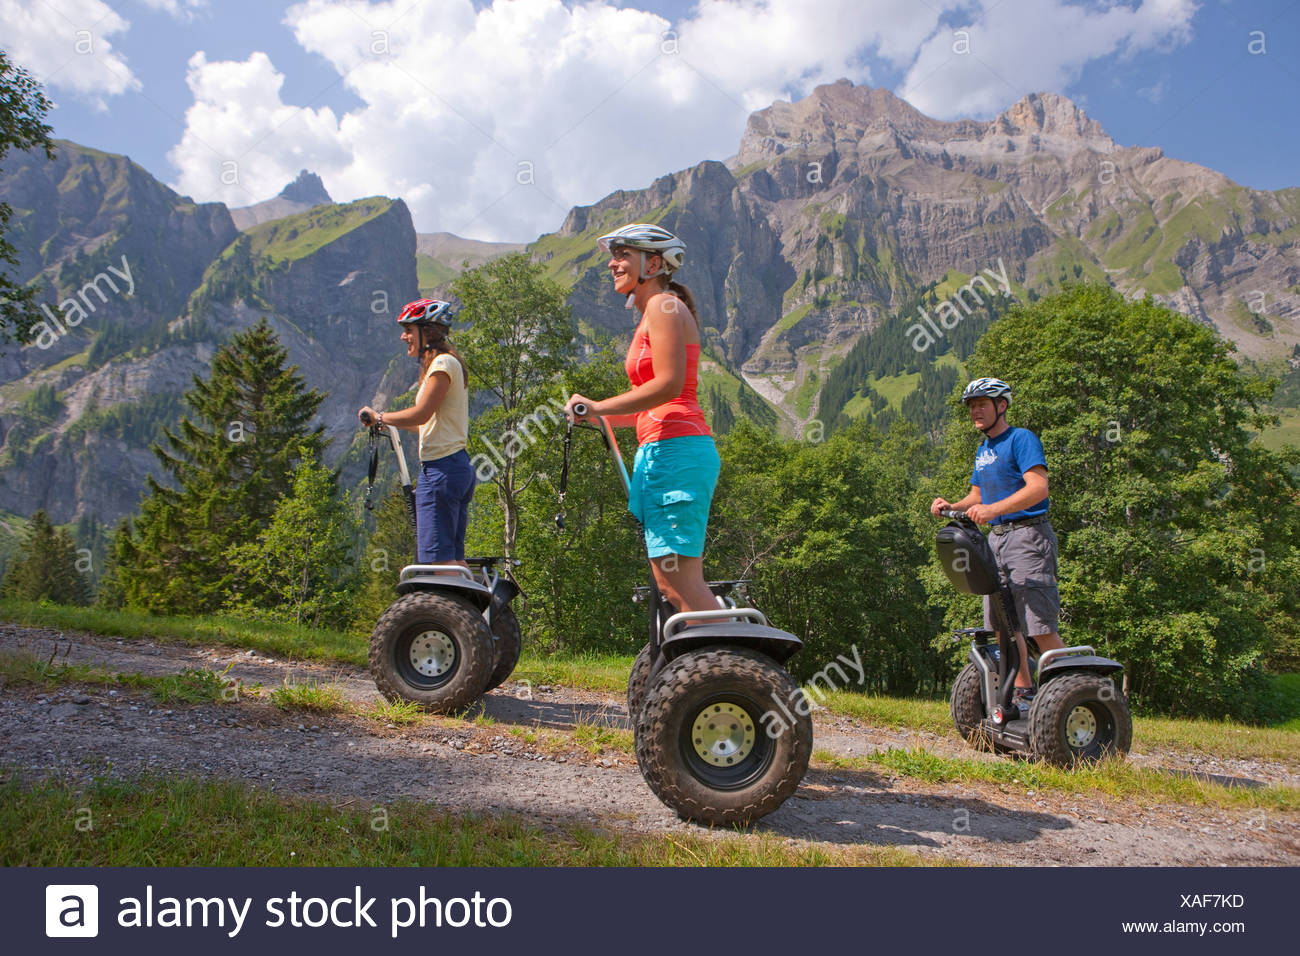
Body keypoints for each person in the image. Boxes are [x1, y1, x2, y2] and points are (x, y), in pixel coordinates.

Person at [565, 223, 721, 615]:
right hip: (664, 448)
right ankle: (707, 665)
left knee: (678, 584)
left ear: (653, 264)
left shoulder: (663, 305)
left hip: (676, 449)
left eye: (622, 255)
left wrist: (598, 406)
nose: (612, 264)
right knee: (672, 582)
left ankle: (729, 669)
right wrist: (596, 418)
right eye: (613, 256)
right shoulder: (656, 308)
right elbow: (643, 408)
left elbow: (668, 386)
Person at [930, 377, 1064, 713]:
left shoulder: (1021, 439)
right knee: (1004, 623)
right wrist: (952, 506)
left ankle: (1066, 694)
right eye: (971, 405)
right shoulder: (984, 450)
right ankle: (1024, 695)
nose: (975, 410)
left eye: (982, 403)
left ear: (1001, 406)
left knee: (1038, 624)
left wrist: (993, 510)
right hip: (997, 540)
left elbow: (1038, 489)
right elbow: (978, 496)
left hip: (1029, 536)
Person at [358, 299, 474, 568]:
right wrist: (385, 424)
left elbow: (421, 413)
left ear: (428, 332)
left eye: (408, 329)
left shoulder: (442, 364)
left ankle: (447, 612)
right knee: (454, 561)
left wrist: (380, 416)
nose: (403, 336)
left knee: (437, 564)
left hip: (441, 471)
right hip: (455, 468)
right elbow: (425, 424)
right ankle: (473, 611)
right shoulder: (448, 362)